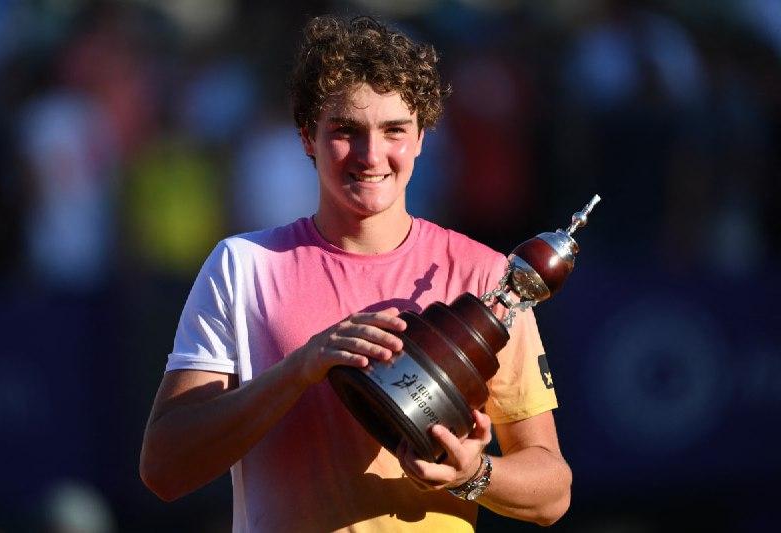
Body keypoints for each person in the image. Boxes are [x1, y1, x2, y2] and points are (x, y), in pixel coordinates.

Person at [139, 15, 571, 532]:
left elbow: (552, 492)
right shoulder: (242, 266)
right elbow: (164, 467)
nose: (371, 156)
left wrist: (473, 474)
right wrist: (299, 369)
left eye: (394, 131)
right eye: (346, 131)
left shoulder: (487, 276)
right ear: (307, 136)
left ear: (421, 137)